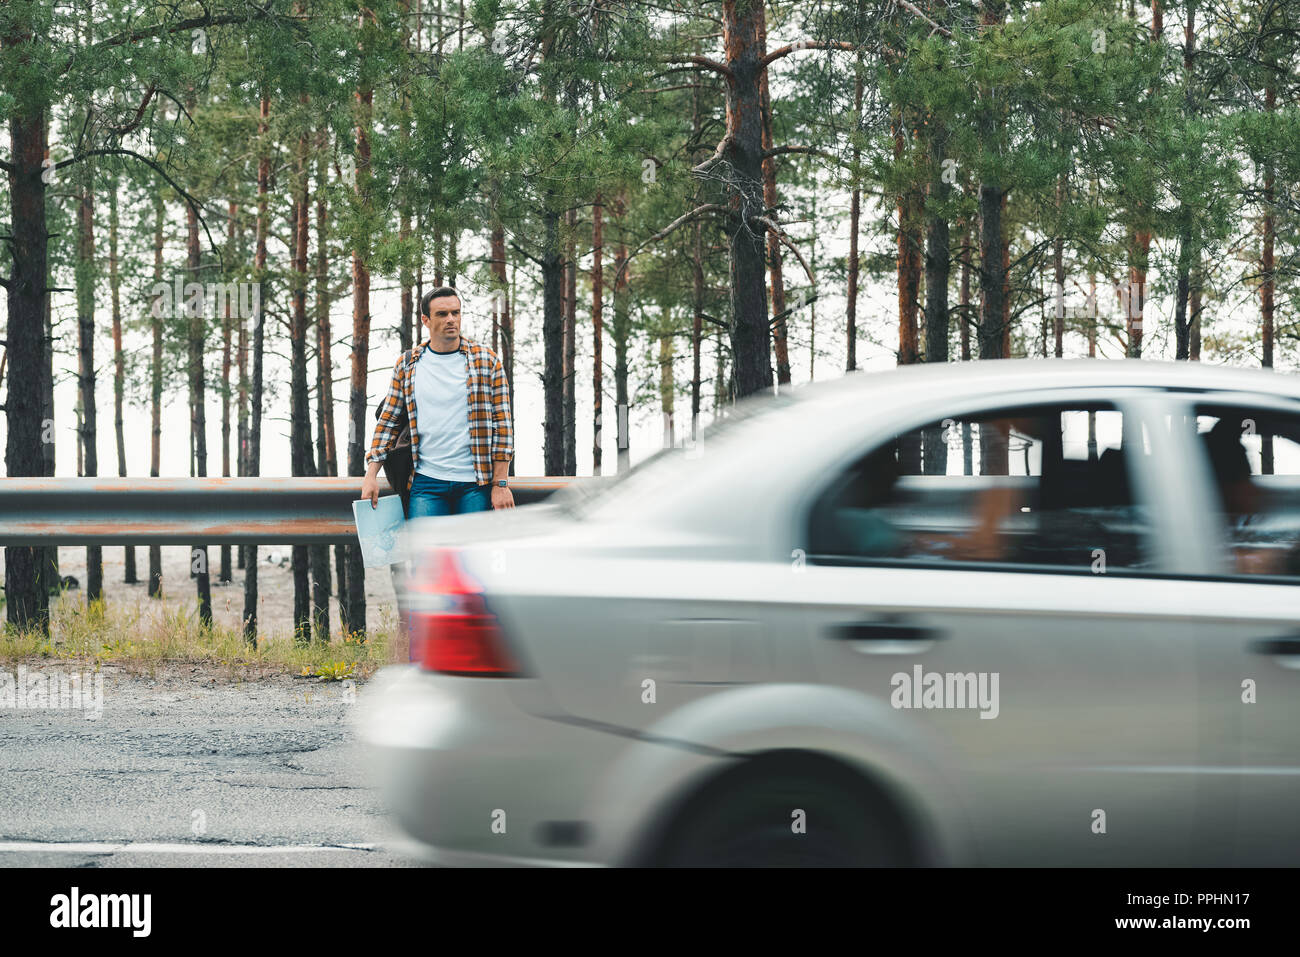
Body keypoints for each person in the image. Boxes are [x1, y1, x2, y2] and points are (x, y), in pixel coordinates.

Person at [361, 286, 516, 517]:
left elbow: (502, 425)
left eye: (456, 312)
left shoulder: (487, 360)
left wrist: (500, 484)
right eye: (442, 314)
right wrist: (371, 475)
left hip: (476, 483)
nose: (451, 319)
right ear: (426, 319)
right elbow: (389, 422)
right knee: (425, 553)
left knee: (470, 554)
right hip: (426, 483)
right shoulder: (407, 365)